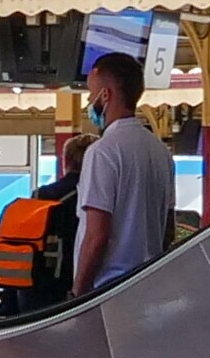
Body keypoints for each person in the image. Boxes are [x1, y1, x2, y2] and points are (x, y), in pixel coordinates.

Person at [66, 49, 169, 295]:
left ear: (105, 95)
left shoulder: (102, 152)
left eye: (91, 95)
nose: (90, 103)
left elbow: (97, 235)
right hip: (147, 284)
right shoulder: (160, 152)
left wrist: (77, 294)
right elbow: (168, 229)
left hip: (108, 289)